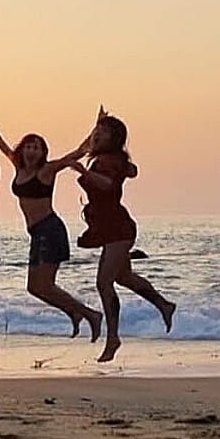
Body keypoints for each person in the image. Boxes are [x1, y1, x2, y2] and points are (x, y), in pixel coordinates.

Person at [0, 92, 102, 340]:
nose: (32, 150)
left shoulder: (47, 171)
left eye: (37, 146)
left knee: (43, 285)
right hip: (37, 233)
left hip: (50, 230)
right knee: (35, 288)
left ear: (43, 151)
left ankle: (90, 315)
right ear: (23, 150)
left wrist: (96, 129)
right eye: (28, 145)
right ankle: (77, 313)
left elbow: (78, 152)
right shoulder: (18, 166)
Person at [70, 111, 177, 362]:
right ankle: (164, 305)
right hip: (110, 227)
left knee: (104, 282)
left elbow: (108, 185)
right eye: (98, 132)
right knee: (124, 277)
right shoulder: (110, 157)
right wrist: (96, 125)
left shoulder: (110, 161)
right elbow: (130, 170)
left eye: (104, 132)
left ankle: (113, 338)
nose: (98, 135)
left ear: (115, 139)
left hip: (117, 228)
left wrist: (82, 172)